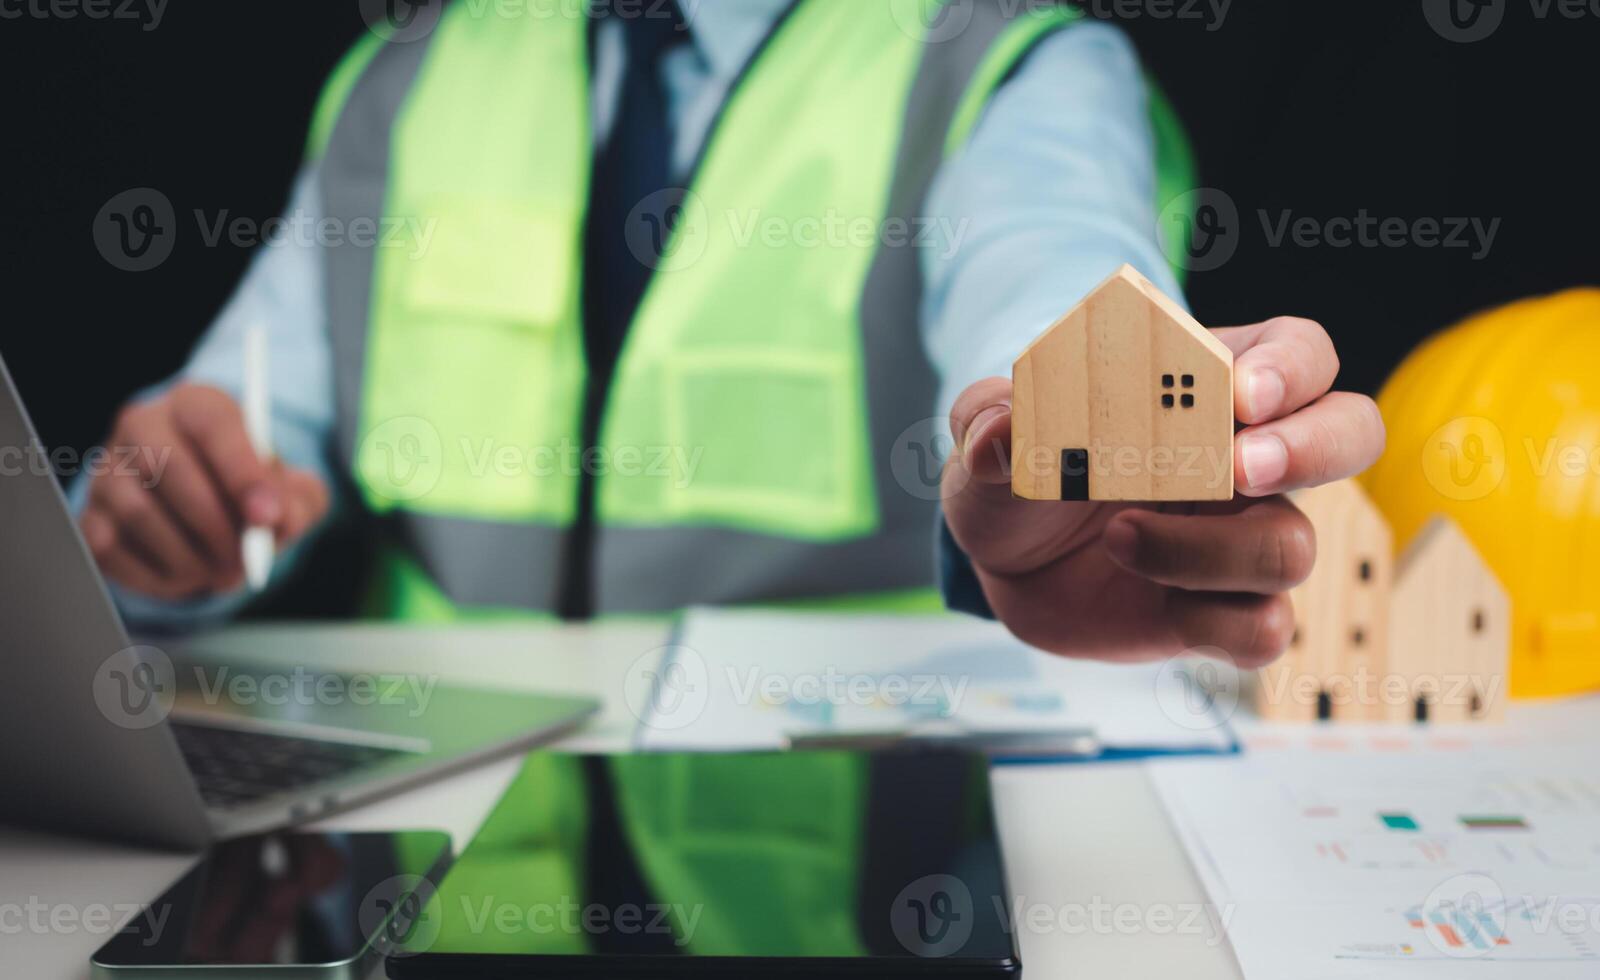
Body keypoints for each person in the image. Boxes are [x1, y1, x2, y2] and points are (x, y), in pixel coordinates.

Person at [74, 0, 1383, 667]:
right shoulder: (405, 80)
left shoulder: (993, 62)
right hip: (422, 882)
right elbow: (209, 455)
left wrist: (1063, 452)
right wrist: (142, 539)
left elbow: (1049, 260)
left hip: (852, 880)